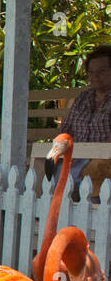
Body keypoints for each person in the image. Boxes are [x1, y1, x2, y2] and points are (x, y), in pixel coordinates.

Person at [54, 44, 111, 200]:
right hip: (73, 157)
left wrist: (91, 159)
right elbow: (65, 131)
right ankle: (36, 210)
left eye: (102, 71)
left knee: (97, 168)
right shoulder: (82, 99)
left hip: (102, 159)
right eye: (91, 71)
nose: (94, 76)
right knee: (42, 162)